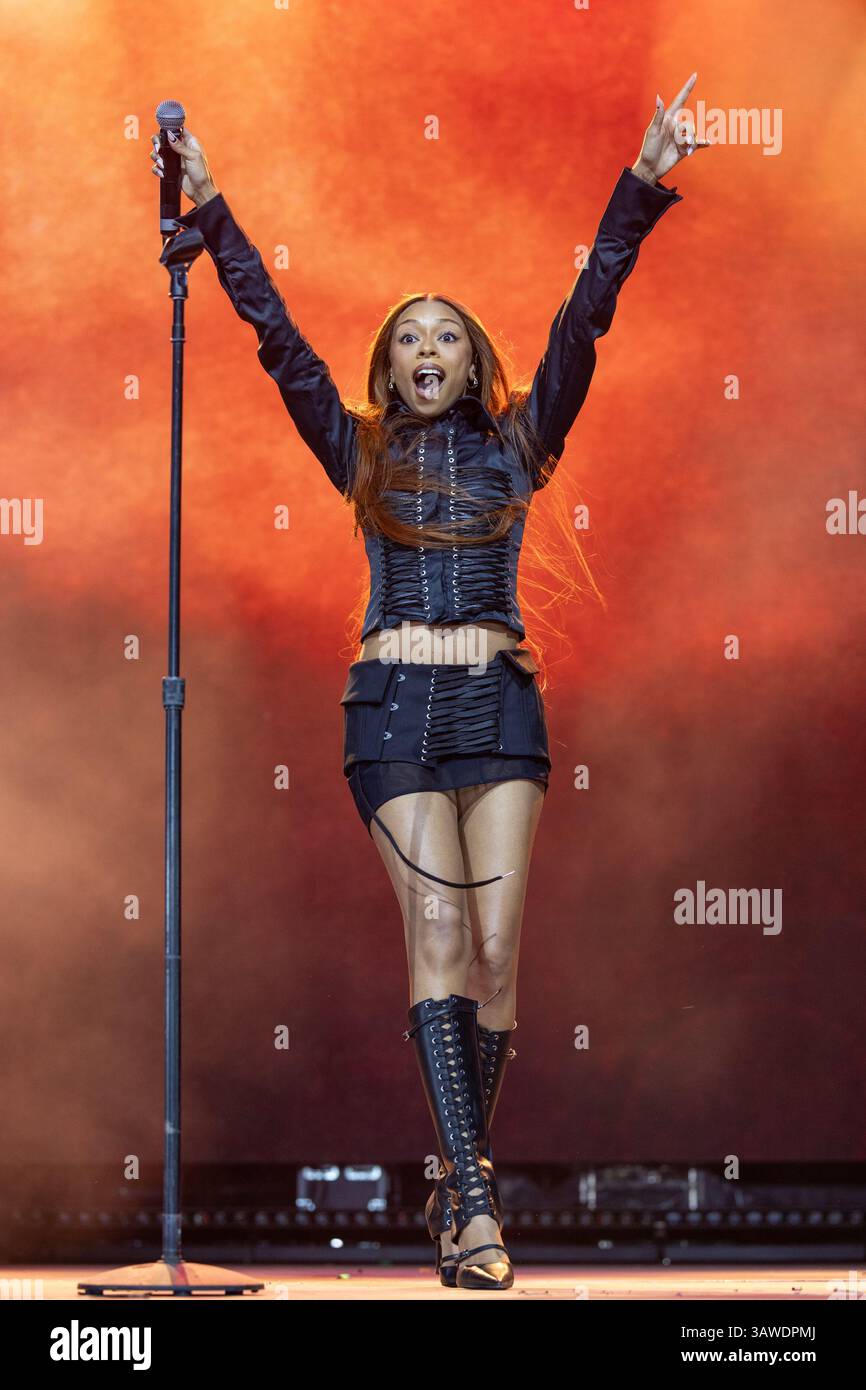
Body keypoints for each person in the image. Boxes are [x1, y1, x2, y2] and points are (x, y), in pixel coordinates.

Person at [150, 75, 706, 1290]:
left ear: (474, 363)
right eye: (407, 337)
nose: (424, 350)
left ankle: (450, 1177)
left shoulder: (521, 439)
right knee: (441, 926)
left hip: (500, 712)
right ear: (388, 365)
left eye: (445, 334)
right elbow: (275, 336)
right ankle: (478, 1212)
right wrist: (213, 208)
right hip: (391, 714)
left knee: (497, 954)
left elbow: (585, 318)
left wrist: (642, 176)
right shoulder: (352, 446)